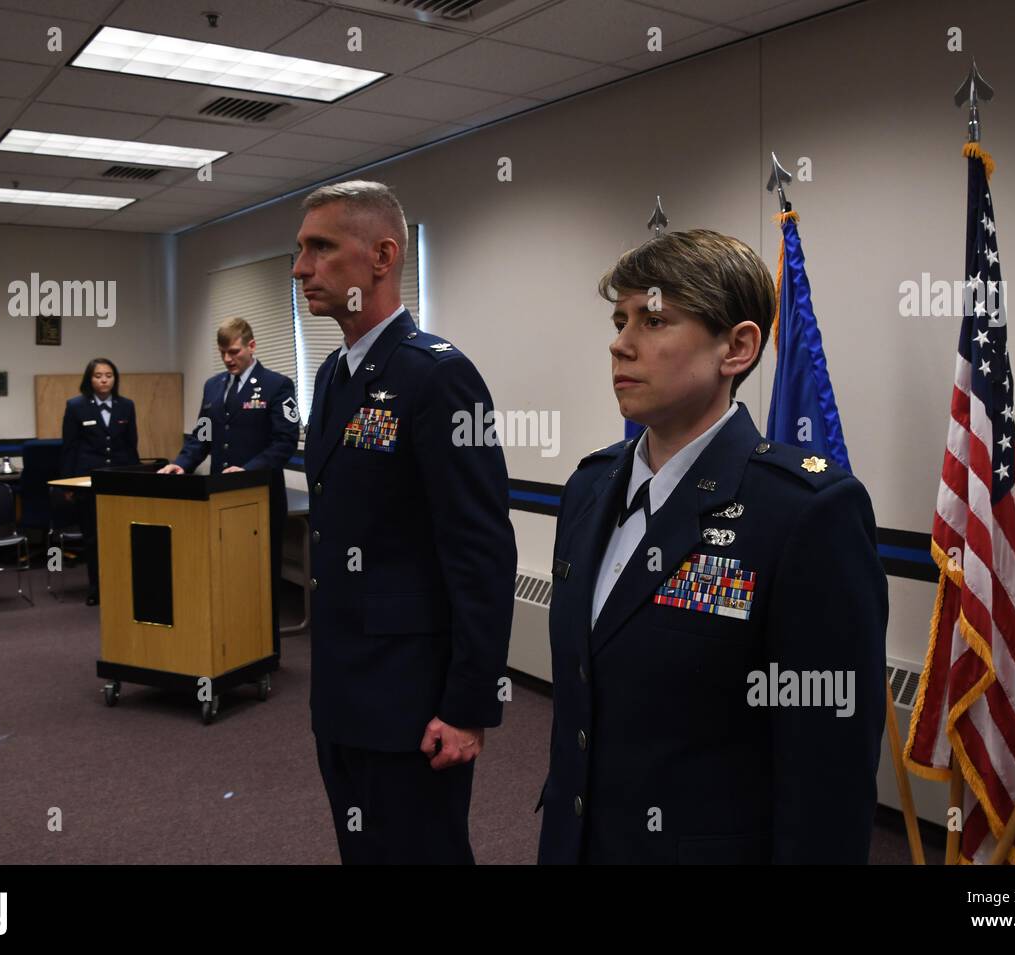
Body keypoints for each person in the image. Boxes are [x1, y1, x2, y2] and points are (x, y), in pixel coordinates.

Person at [537, 230, 888, 864]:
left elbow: (827, 773)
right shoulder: (589, 488)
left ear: (738, 347)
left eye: (655, 319)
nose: (620, 342)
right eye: (620, 320)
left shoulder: (805, 513)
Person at [295, 181, 516, 864]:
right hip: (343, 690)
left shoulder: (438, 377)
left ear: (383, 255)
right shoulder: (334, 374)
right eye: (300, 250)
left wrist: (468, 705)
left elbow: (480, 549)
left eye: (321, 247)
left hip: (413, 703)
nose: (301, 267)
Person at [159, 318, 298, 653]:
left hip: (260, 497)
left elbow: (285, 441)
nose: (227, 359)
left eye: (233, 351)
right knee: (225, 575)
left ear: (251, 346)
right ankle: (230, 648)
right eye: (222, 352)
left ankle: (265, 652)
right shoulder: (213, 386)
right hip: (219, 497)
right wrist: (182, 462)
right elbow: (203, 435)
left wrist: (249, 470)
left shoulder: (277, 385)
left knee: (260, 577)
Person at [60, 358, 139, 605]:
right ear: (89, 379)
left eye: (108, 375)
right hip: (88, 479)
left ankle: (123, 586)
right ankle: (96, 588)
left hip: (120, 479)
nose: (104, 380)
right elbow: (69, 447)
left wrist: (137, 479)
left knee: (121, 535)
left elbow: (131, 444)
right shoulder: (75, 406)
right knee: (93, 537)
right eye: (98, 376)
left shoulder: (126, 406)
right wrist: (68, 483)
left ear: (115, 379)